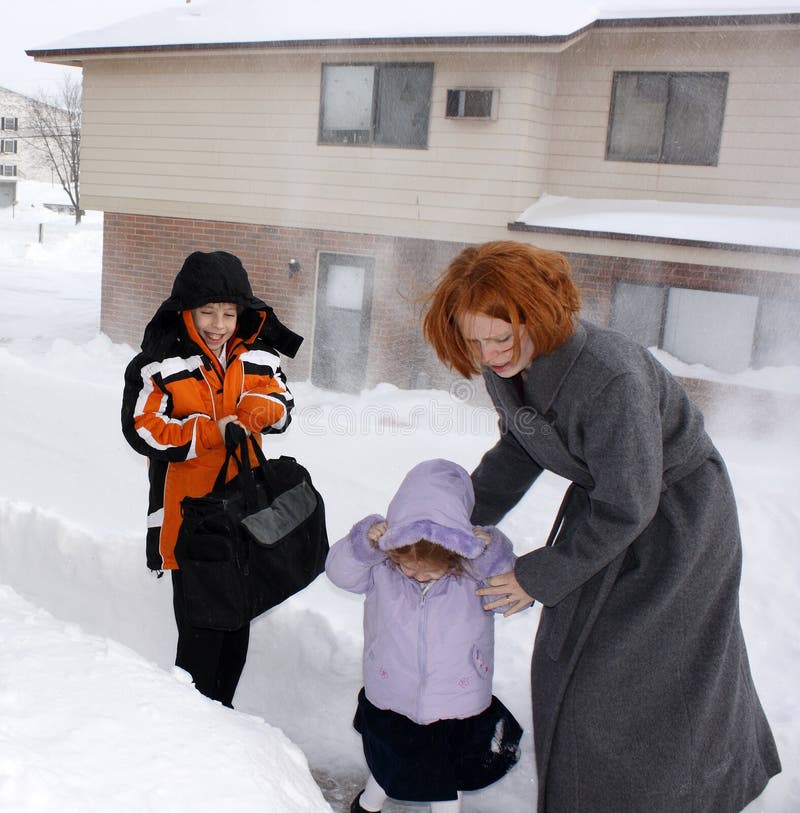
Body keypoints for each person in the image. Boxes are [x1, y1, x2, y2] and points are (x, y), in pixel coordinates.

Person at [421, 240, 781, 813]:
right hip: (610, 516)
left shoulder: (611, 378)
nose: (488, 353)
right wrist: (450, 524)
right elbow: (521, 446)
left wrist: (533, 576)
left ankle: (694, 792)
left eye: (501, 337)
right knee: (575, 665)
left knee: (633, 679)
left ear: (538, 315)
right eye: (473, 339)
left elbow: (629, 503)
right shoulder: (508, 369)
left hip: (679, 524)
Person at [121, 250, 302, 708]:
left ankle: (222, 718)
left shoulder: (257, 354)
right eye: (207, 312)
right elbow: (143, 429)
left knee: (236, 628)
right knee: (201, 638)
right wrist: (210, 431)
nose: (219, 324)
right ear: (185, 310)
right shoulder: (159, 362)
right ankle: (194, 727)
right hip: (190, 524)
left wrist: (251, 414)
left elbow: (281, 405)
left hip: (244, 517)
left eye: (228, 312)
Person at [326, 458, 523, 813]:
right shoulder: (381, 569)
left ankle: (370, 805)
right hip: (393, 692)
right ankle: (368, 805)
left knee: (446, 780)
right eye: (406, 566)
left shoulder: (472, 575)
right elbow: (339, 573)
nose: (414, 575)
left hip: (456, 700)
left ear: (453, 556)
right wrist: (362, 544)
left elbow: (510, 596)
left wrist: (488, 556)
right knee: (391, 762)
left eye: (426, 572)